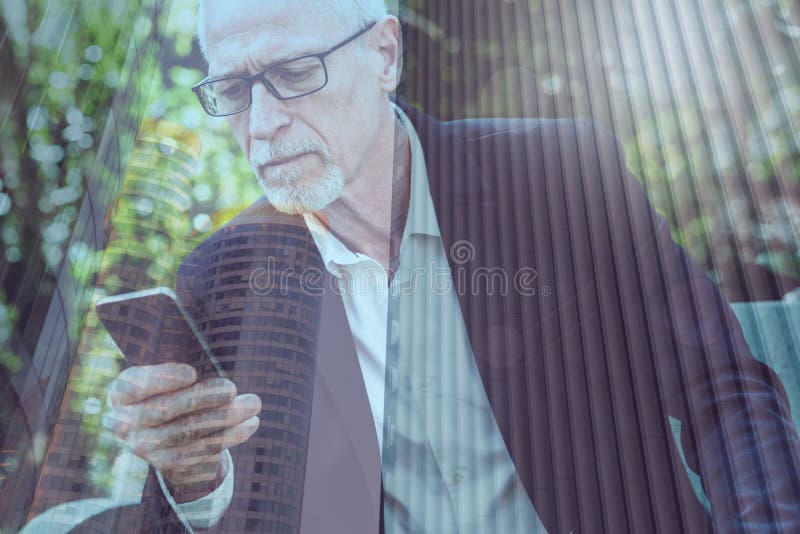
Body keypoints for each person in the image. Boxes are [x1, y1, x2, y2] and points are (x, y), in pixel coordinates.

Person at [105, 0, 800, 532]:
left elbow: (726, 391)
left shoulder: (561, 178)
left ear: (384, 55)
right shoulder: (222, 275)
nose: (260, 125)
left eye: (292, 74)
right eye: (233, 90)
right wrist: (195, 482)